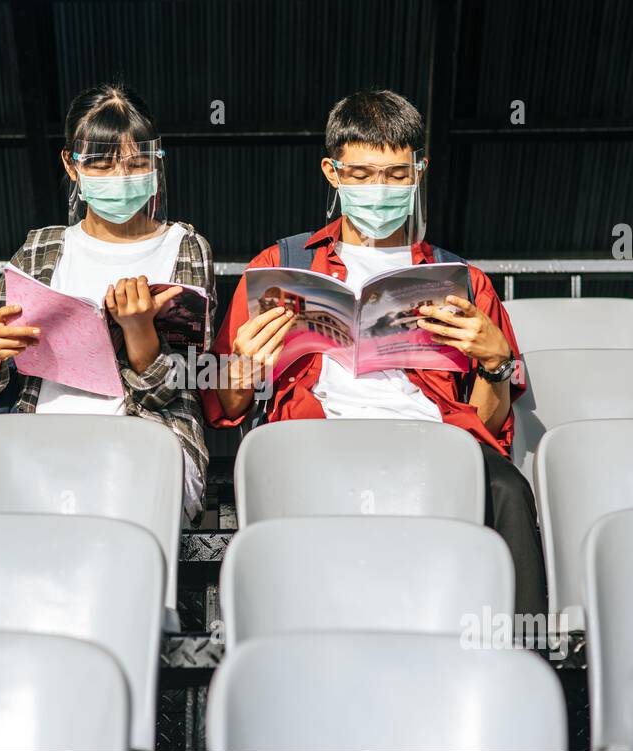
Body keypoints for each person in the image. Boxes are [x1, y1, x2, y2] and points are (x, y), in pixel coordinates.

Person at [202, 89, 546, 616]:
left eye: (395, 175)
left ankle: (521, 660)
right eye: (361, 176)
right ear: (332, 172)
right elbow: (228, 408)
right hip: (316, 436)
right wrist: (243, 366)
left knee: (508, 489)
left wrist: (496, 362)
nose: (378, 190)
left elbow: (486, 424)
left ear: (418, 172)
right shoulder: (282, 263)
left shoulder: (461, 279)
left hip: (430, 440)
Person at [0, 83, 212, 524]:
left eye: (138, 164)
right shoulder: (40, 249)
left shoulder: (185, 247)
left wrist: (138, 330)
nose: (121, 179)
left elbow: (178, 383)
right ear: (72, 167)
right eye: (102, 165)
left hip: (142, 438)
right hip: (36, 429)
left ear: (157, 164)